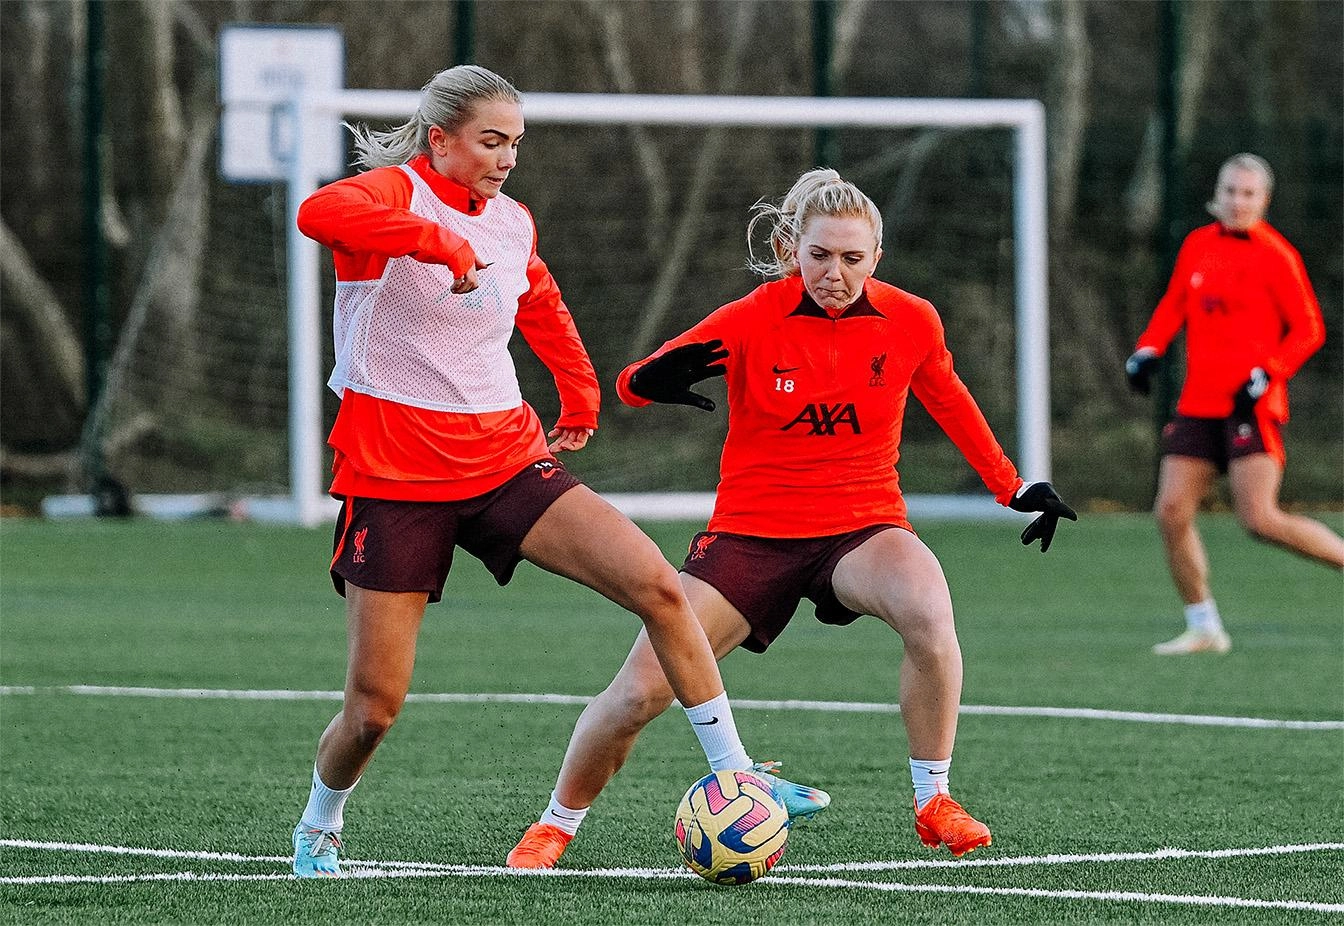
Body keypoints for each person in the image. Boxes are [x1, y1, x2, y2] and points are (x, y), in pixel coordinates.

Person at [288, 65, 821, 878]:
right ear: (441, 140)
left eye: (516, 143)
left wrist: (579, 391)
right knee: (373, 711)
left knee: (660, 587)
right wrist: (435, 240)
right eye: (490, 141)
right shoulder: (395, 195)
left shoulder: (512, 221)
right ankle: (320, 822)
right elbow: (316, 212)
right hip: (394, 479)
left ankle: (738, 774)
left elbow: (537, 298)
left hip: (506, 460)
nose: (507, 158)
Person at [508, 168, 1076, 868]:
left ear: (877, 257)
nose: (835, 273)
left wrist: (1012, 487)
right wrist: (647, 382)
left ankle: (934, 800)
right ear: (791, 250)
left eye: (853, 258)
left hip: (862, 526)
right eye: (820, 255)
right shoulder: (750, 317)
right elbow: (636, 381)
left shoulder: (912, 320)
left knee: (929, 610)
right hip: (750, 535)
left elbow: (951, 401)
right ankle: (555, 826)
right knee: (637, 694)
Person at [1126, 153, 1341, 655]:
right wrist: (1148, 349)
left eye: (1248, 194)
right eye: (1230, 191)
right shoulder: (1198, 244)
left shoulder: (1277, 255)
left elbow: (1309, 327)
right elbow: (1175, 304)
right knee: (1170, 511)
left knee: (1260, 519)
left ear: (1264, 200)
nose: (1238, 201)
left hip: (1251, 408)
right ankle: (1204, 626)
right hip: (1198, 404)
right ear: (1217, 194)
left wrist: (1269, 372)